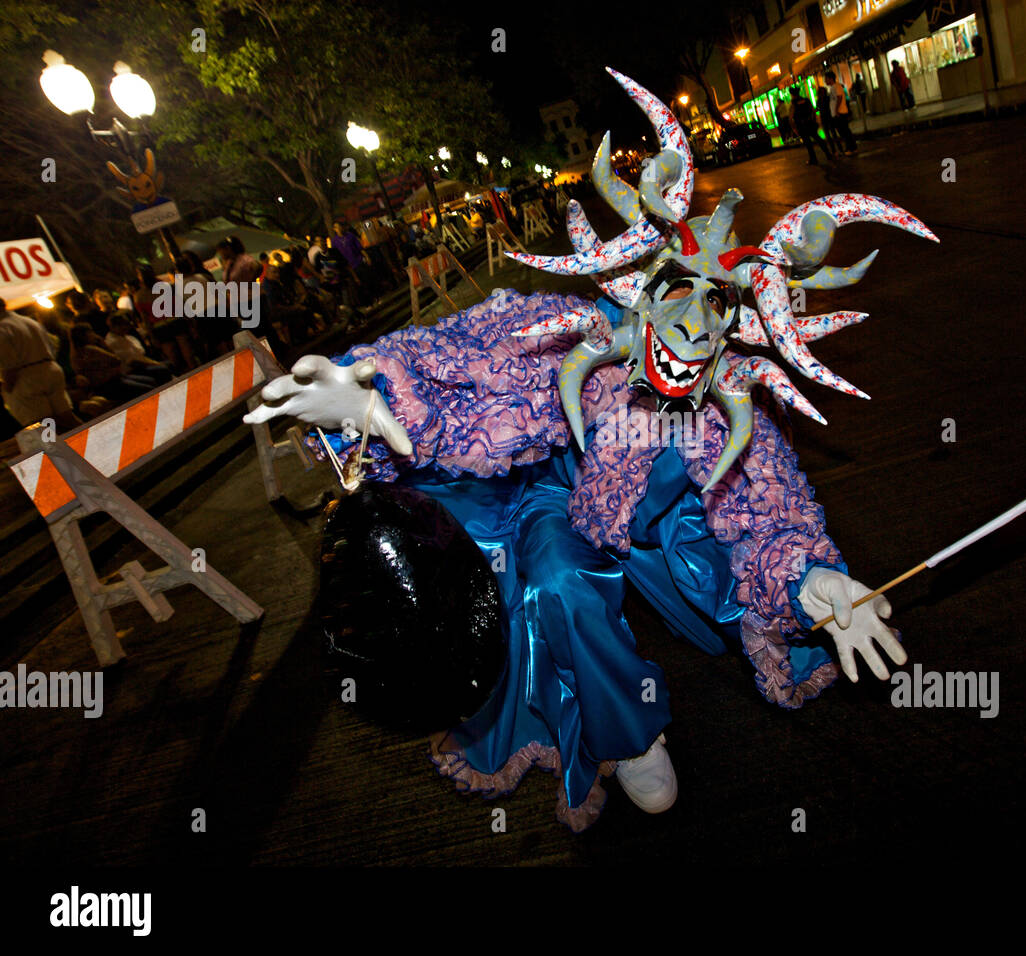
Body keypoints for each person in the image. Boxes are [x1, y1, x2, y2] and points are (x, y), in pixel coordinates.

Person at [246, 70, 933, 831]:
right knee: (559, 584)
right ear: (640, 290)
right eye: (677, 291)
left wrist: (812, 581)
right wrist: (369, 401)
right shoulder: (574, 340)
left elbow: (767, 507)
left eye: (720, 307)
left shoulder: (726, 406)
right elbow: (462, 360)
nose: (695, 324)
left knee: (720, 557)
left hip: (666, 533)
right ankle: (630, 734)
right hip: (556, 497)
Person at [0, 297, 79, 430]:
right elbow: (53, 345)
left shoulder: (2, 328)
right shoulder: (28, 321)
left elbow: (9, 366)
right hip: (50, 368)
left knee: (43, 427)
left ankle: (58, 451)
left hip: (26, 378)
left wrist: (6, 388)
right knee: (67, 418)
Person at [104, 312, 173, 385]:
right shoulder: (113, 342)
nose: (127, 327)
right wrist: (156, 364)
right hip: (132, 370)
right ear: (114, 327)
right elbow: (133, 362)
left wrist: (155, 363)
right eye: (123, 325)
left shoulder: (126, 337)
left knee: (168, 364)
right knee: (162, 369)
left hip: (141, 365)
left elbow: (140, 355)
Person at [791, 88, 835, 165]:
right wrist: (814, 121)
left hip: (801, 126)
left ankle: (813, 159)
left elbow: (790, 117)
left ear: (792, 95)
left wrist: (794, 128)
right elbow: (812, 111)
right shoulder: (806, 100)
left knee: (808, 144)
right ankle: (828, 154)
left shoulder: (793, 104)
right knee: (818, 139)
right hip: (810, 123)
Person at [823, 70, 856, 155]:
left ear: (830, 79)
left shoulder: (836, 86)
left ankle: (851, 148)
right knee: (844, 131)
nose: (825, 81)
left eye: (826, 79)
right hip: (838, 113)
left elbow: (839, 97)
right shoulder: (833, 87)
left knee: (844, 131)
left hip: (840, 112)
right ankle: (851, 147)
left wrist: (836, 110)